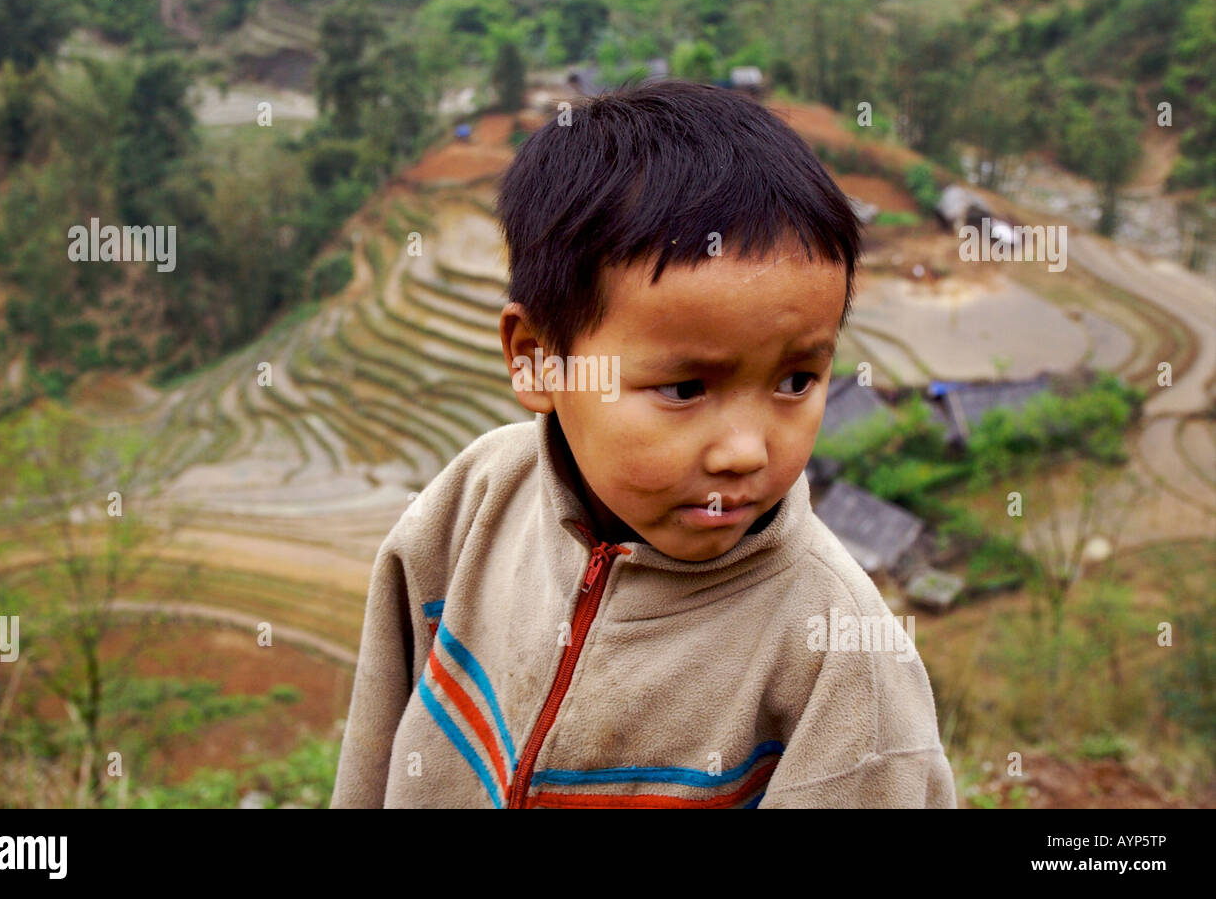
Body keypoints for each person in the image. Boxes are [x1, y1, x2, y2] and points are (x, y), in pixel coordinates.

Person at [331, 79, 957, 808]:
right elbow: (375, 743)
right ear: (536, 356)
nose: (746, 453)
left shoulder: (842, 663)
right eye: (686, 389)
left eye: (795, 381)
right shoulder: (474, 503)